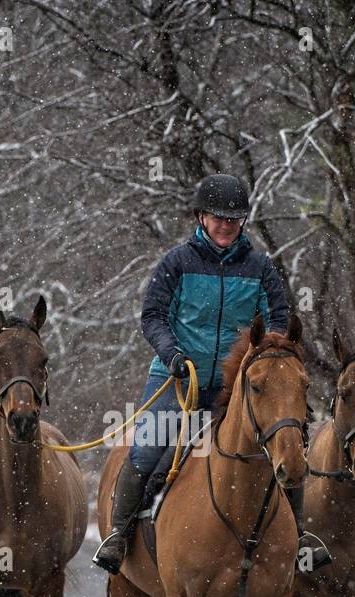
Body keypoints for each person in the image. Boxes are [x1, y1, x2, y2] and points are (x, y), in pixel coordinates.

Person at [93, 173, 333, 574]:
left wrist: (273, 356)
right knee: (149, 448)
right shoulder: (176, 262)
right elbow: (152, 316)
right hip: (178, 379)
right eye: (218, 217)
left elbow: (278, 318)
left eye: (234, 218)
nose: (226, 225)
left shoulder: (260, 267)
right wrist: (171, 352)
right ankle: (119, 534)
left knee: (286, 443)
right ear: (201, 216)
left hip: (239, 387)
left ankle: (301, 535)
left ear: (243, 222)